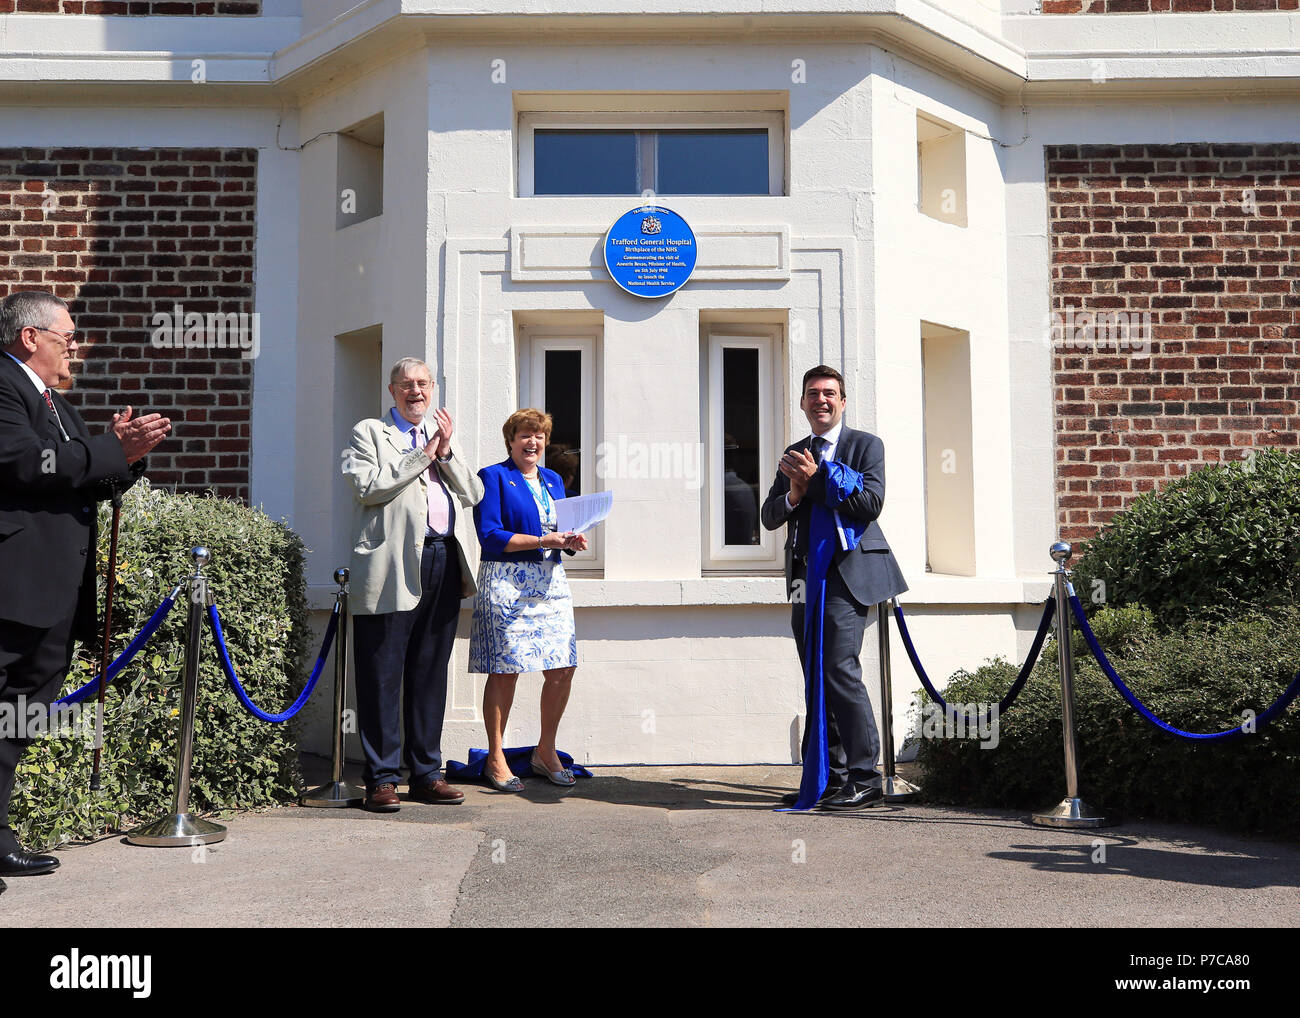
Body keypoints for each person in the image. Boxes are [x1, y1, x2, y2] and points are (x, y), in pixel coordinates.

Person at [0, 291, 170, 885]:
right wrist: (104, 451)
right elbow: (24, 463)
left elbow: (82, 476)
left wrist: (127, 455)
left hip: (54, 594)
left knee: (20, 717)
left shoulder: (58, 405)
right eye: (65, 336)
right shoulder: (4, 387)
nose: (73, 345)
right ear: (30, 338)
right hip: (13, 589)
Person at [761, 365, 908, 811]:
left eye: (829, 393)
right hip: (807, 580)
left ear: (842, 402)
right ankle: (829, 776)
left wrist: (817, 480)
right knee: (816, 676)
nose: (820, 400)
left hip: (849, 577)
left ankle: (866, 778)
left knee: (840, 671)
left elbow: (871, 504)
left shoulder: (866, 446)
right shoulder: (794, 451)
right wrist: (795, 493)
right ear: (803, 403)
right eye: (812, 394)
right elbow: (770, 515)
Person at [341, 357, 483, 812]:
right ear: (392, 391)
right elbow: (369, 487)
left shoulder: (439, 440)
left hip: (443, 557)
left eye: (423, 384)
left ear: (432, 388)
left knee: (429, 671)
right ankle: (381, 778)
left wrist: (444, 452)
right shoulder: (369, 433)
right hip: (391, 566)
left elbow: (472, 494)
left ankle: (426, 773)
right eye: (406, 385)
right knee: (382, 672)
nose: (415, 391)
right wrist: (422, 455)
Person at [469, 409, 587, 792]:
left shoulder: (553, 479)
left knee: (562, 667)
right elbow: (490, 535)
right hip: (507, 584)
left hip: (551, 584)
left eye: (539, 436)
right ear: (511, 440)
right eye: (524, 435)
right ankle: (496, 757)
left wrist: (570, 541)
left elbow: (557, 531)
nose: (532, 442)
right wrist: (543, 541)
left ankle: (545, 751)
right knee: (506, 670)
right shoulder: (494, 476)